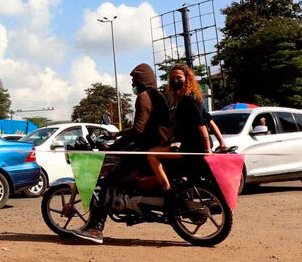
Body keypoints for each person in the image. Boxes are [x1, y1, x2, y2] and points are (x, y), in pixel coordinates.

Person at [71, 63, 170, 244]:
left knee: (110, 182)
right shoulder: (158, 96)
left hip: (145, 151)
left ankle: (96, 229)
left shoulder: (143, 97)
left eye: (134, 80)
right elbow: (143, 127)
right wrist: (118, 134)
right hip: (155, 147)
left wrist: (116, 145)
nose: (133, 84)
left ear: (142, 80)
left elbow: (139, 131)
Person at [146, 64, 222, 219]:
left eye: (179, 78)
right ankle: (180, 187)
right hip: (190, 145)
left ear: (187, 79)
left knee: (151, 154)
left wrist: (207, 149)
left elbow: (201, 125)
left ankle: (167, 192)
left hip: (192, 147)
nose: (175, 81)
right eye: (172, 78)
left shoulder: (187, 100)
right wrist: (222, 142)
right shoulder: (193, 97)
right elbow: (210, 120)